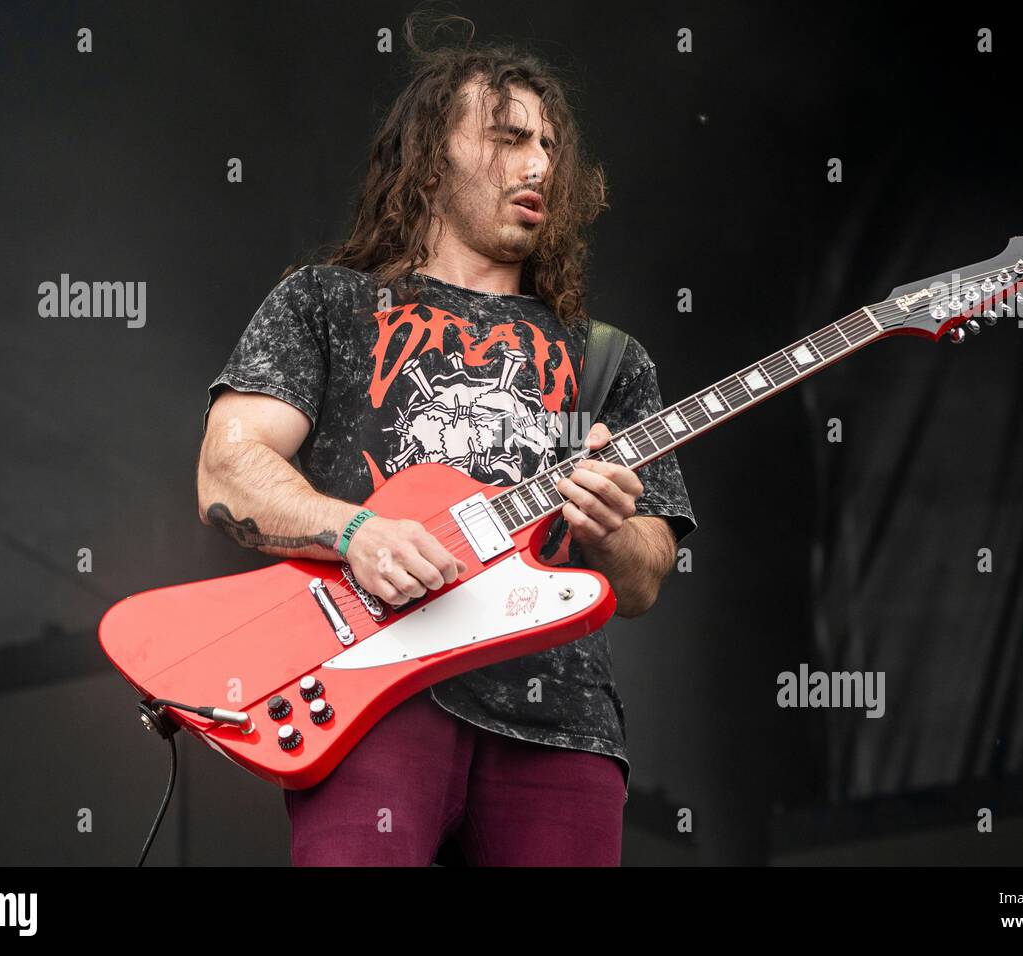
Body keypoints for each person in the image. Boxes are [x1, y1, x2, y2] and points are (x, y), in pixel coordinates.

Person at [195, 15, 696, 866]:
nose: (539, 164)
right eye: (508, 139)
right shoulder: (330, 304)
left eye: (548, 145)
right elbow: (228, 469)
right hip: (374, 696)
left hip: (561, 727)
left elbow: (646, 576)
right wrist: (355, 532)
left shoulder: (603, 359)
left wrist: (613, 526)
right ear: (432, 159)